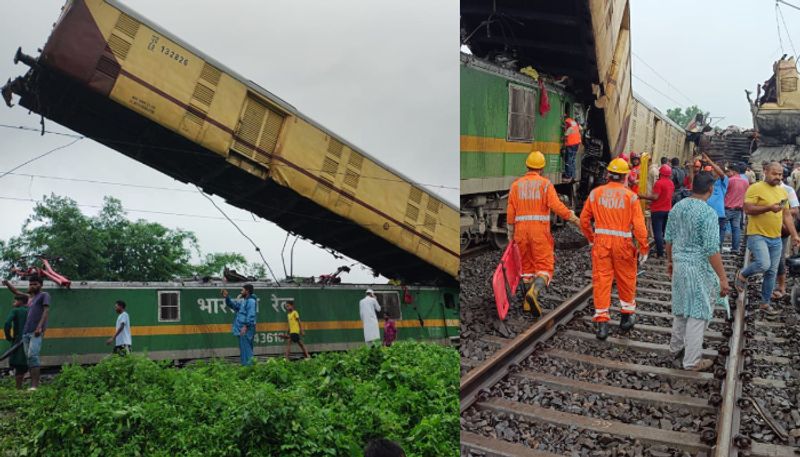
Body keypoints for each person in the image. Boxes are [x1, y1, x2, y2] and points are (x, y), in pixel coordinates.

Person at [665, 172, 730, 371]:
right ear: (710, 189)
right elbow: (711, 249)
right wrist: (722, 277)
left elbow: (669, 238)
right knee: (698, 313)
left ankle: (675, 350)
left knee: (681, 309)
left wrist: (670, 261)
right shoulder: (708, 213)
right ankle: (692, 361)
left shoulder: (678, 207)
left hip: (679, 264)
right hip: (698, 268)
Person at [580, 158, 649, 340]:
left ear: (608, 175)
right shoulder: (630, 197)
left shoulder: (595, 194)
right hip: (623, 245)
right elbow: (639, 227)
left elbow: (584, 220)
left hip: (601, 243)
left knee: (601, 281)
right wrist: (643, 246)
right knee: (626, 279)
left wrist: (591, 238)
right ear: (625, 176)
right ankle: (626, 317)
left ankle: (602, 324)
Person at [507, 150, 580, 316]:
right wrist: (573, 218)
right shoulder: (545, 184)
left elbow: (510, 213)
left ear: (527, 166)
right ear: (542, 168)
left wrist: (511, 235)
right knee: (545, 267)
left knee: (526, 268)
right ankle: (534, 292)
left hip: (521, 232)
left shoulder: (516, 185)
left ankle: (527, 303)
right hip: (539, 232)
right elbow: (556, 206)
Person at [735, 162, 800, 313]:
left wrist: (795, 235)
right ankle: (743, 274)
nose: (778, 177)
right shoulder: (755, 188)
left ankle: (765, 303)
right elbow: (747, 209)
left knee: (771, 271)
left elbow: (786, 215)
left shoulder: (782, 192)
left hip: (776, 237)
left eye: (780, 174)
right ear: (765, 171)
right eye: (774, 174)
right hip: (757, 234)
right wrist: (769, 207)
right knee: (764, 264)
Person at [3, 277, 50, 390]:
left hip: (35, 331)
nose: (32, 286)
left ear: (41, 285)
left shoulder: (44, 295)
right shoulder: (31, 298)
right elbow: (16, 292)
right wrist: (7, 283)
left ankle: (34, 386)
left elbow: (46, 311)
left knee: (33, 356)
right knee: (29, 359)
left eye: (35, 284)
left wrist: (39, 327)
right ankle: (30, 385)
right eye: (30, 284)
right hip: (26, 333)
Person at [772, 180, 800, 299]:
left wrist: (779, 210)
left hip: (781, 230)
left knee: (779, 258)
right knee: (766, 260)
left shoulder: (786, 191)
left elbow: (795, 209)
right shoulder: (762, 188)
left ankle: (781, 287)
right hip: (765, 229)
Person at [640, 164, 675, 258]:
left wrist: (642, 196)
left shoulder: (659, 183)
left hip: (658, 210)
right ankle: (666, 250)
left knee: (657, 233)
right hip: (668, 210)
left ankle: (660, 253)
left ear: (660, 173)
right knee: (665, 232)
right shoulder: (671, 183)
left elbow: (655, 197)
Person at [221, 284, 257, 366]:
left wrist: (246, 326)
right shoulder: (244, 301)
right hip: (242, 329)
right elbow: (234, 305)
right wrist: (227, 297)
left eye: (242, 290)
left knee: (246, 349)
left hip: (246, 328)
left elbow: (251, 314)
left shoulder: (251, 301)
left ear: (247, 291)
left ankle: (249, 368)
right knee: (243, 349)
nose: (241, 292)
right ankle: (245, 366)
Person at [700, 154, 729, 248]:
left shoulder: (723, 181)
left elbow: (721, 174)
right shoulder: (709, 181)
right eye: (712, 168)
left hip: (719, 214)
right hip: (707, 213)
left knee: (718, 240)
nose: (712, 169)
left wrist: (709, 161)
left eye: (714, 168)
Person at [3, 294, 28, 389]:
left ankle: (18, 388)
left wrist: (9, 337)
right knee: (25, 364)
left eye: (15, 301)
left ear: (20, 302)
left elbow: (7, 324)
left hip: (18, 341)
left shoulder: (16, 311)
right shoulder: (30, 310)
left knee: (18, 365)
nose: (13, 303)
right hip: (29, 341)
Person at [723, 164, 750, 253]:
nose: (727, 173)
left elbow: (724, 192)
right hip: (738, 210)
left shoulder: (729, 181)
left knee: (722, 228)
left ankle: (718, 248)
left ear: (733, 172)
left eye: (728, 171)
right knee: (736, 229)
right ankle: (735, 248)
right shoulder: (745, 182)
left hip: (727, 208)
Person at [562, 116, 581, 182]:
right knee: (573, 161)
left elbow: (565, 135)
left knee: (568, 161)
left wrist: (564, 129)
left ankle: (568, 176)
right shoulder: (577, 127)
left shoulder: (570, 128)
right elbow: (581, 128)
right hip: (576, 146)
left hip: (570, 146)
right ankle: (573, 176)